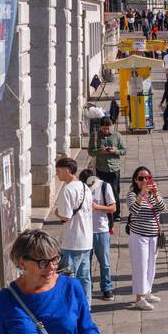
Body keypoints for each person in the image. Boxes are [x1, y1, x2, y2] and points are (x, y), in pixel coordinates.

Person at [124, 166, 165, 311]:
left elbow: (162, 208)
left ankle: (147, 291)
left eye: (147, 177)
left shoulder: (153, 193)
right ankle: (139, 298)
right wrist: (141, 194)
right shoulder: (132, 195)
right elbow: (133, 210)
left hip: (154, 235)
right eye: (140, 178)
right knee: (140, 266)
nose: (144, 180)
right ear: (135, 180)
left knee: (151, 266)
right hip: (139, 236)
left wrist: (156, 195)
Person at [53, 156, 94, 300]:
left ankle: (71, 309)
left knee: (67, 279)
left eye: (58, 171)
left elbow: (66, 217)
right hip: (87, 239)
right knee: (85, 278)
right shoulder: (85, 187)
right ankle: (86, 307)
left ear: (67, 171)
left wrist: (57, 212)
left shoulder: (67, 190)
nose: (56, 174)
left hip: (72, 241)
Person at [82, 167, 116, 301]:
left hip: (101, 230)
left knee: (105, 262)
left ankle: (107, 287)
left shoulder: (104, 186)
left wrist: (97, 207)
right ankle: (87, 289)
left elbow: (113, 207)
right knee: (86, 263)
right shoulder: (81, 189)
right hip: (85, 230)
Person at [88, 116, 125, 225]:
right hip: (101, 168)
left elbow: (124, 150)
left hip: (114, 169)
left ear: (111, 126)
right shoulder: (95, 136)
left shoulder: (117, 135)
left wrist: (116, 151)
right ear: (100, 127)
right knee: (102, 192)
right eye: (104, 129)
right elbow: (90, 152)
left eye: (108, 128)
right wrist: (99, 151)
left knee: (114, 191)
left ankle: (116, 213)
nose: (106, 131)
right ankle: (105, 212)